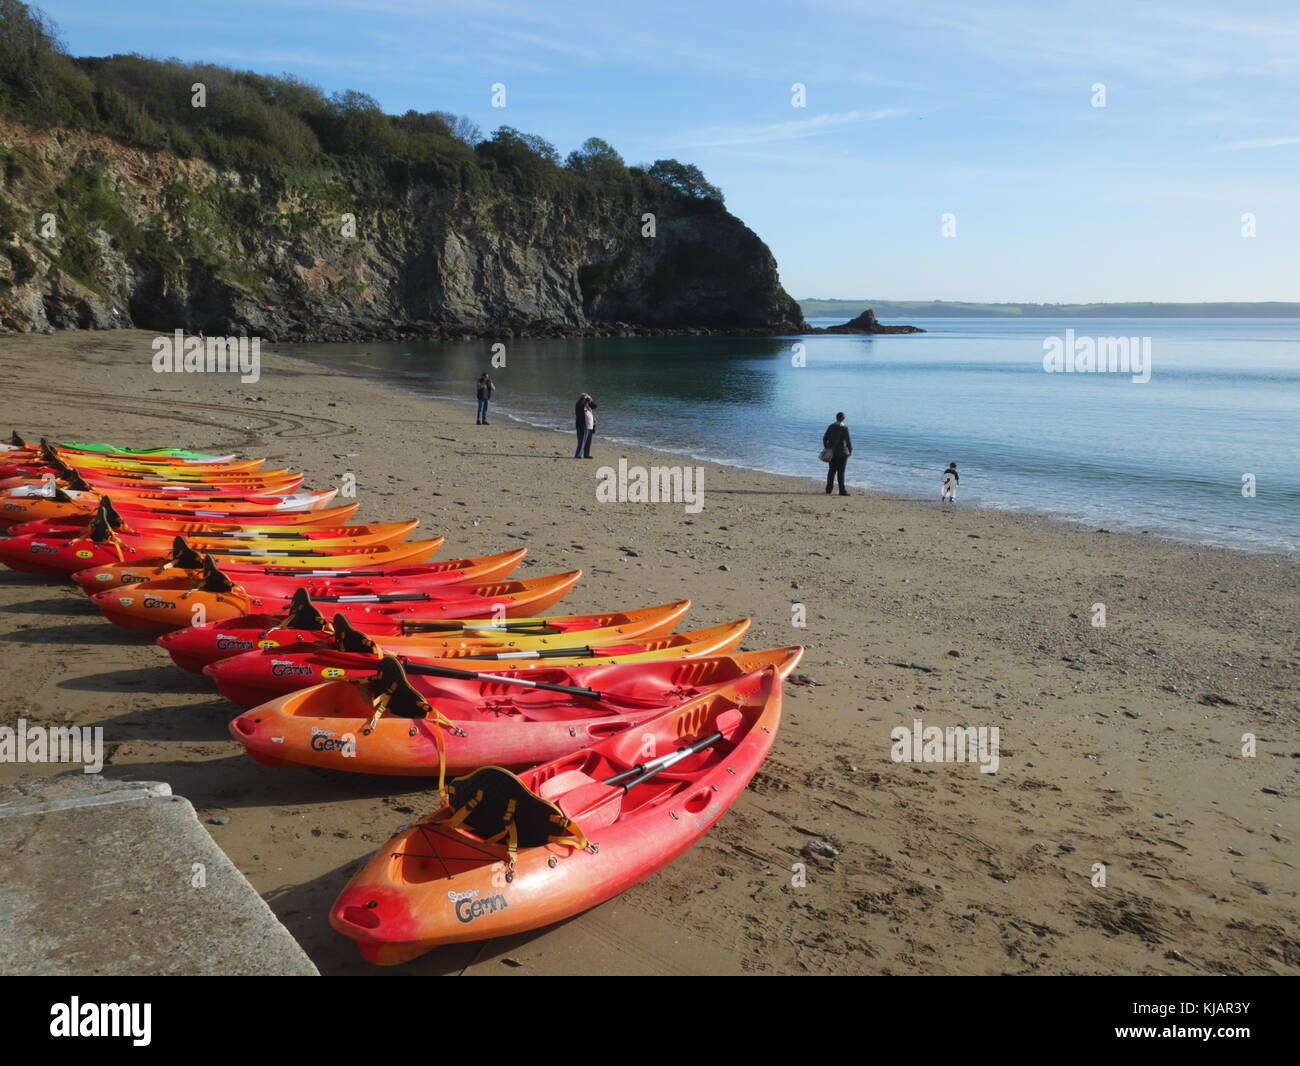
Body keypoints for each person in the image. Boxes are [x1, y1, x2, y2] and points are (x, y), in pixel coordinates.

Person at [823, 412, 851, 495]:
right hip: (843, 453)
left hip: (832, 452)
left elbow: (825, 438)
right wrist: (850, 451)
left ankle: (828, 489)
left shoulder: (831, 426)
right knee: (841, 472)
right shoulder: (845, 428)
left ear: (836, 418)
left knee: (831, 471)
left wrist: (827, 448)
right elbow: (848, 441)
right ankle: (842, 490)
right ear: (843, 419)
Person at [574, 394, 596, 458]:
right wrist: (584, 397)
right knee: (582, 442)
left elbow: (595, 406)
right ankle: (578, 455)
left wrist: (591, 400)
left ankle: (586, 455)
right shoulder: (579, 405)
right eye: (585, 399)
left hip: (590, 426)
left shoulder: (588, 406)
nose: (586, 401)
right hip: (582, 426)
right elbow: (580, 404)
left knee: (588, 442)